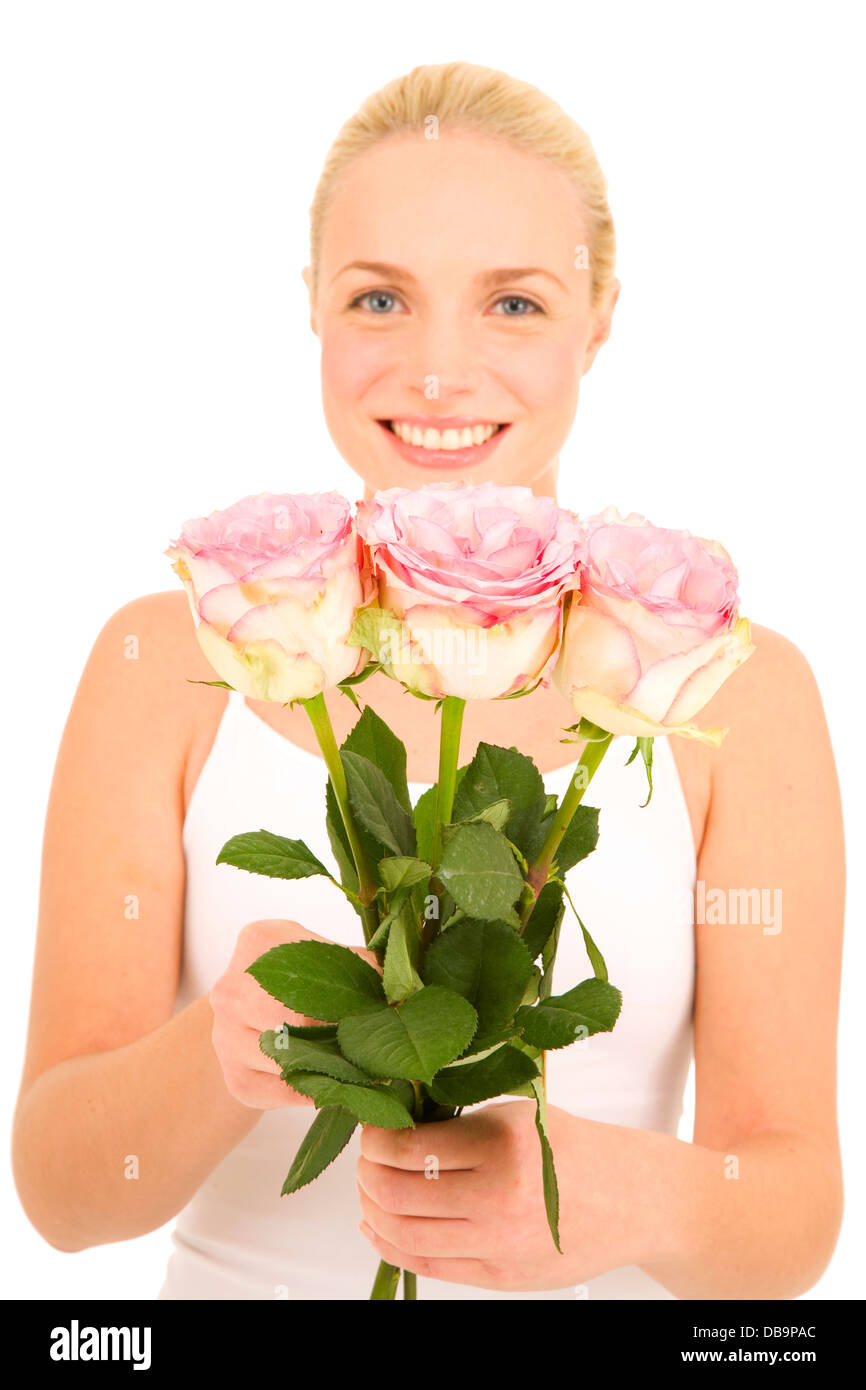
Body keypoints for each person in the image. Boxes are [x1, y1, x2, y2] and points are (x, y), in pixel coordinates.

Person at [12, 61, 845, 1301]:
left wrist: (623, 1195)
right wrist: (219, 1051)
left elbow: (788, 1220)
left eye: (511, 303)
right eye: (379, 299)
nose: (438, 374)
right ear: (310, 307)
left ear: (598, 315)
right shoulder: (166, 665)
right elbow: (63, 1198)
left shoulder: (730, 683)